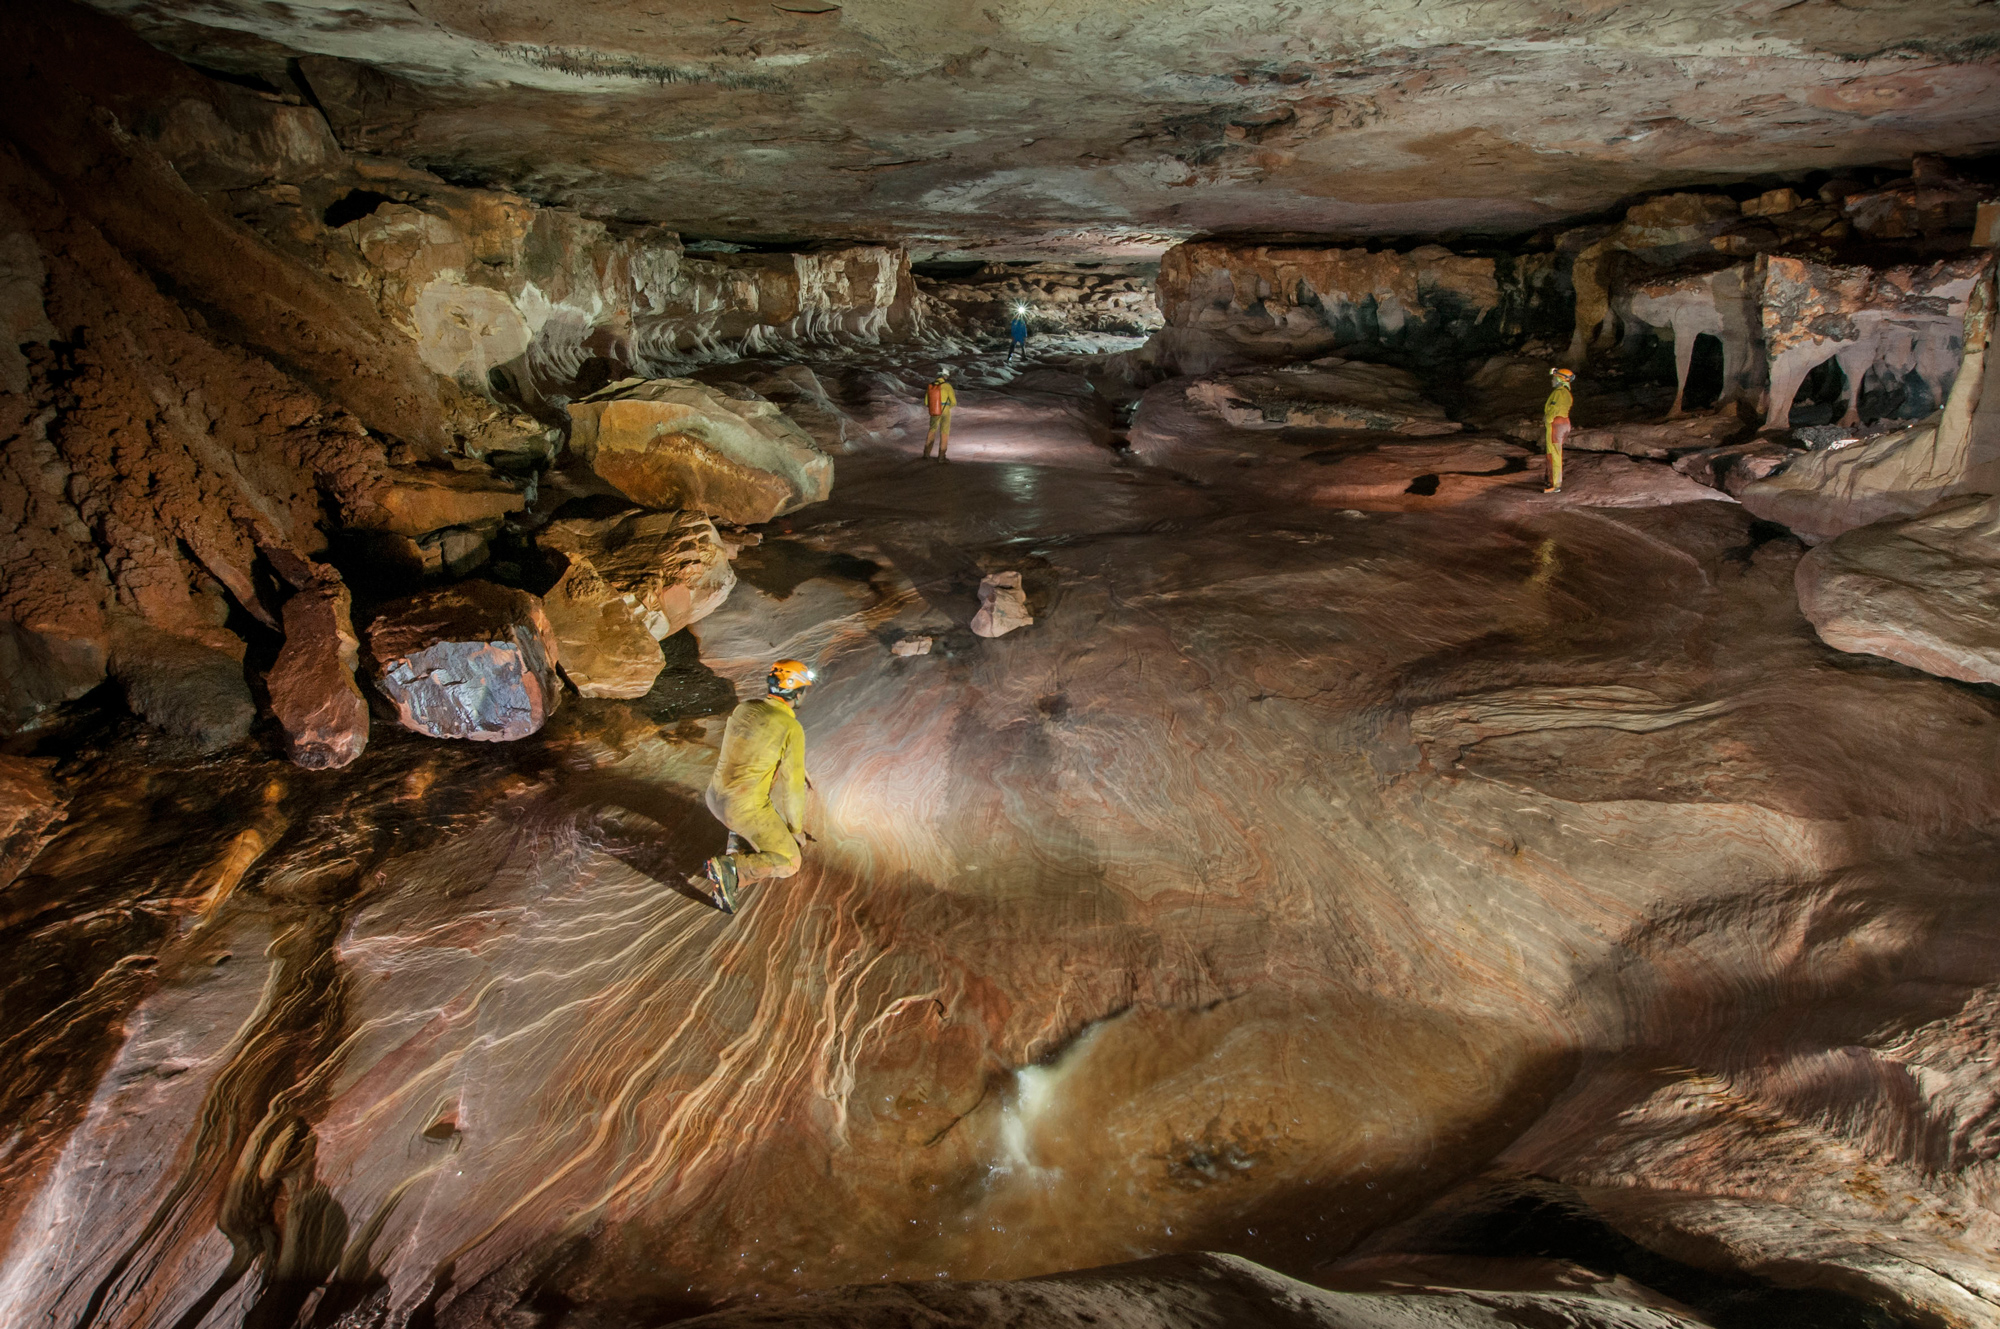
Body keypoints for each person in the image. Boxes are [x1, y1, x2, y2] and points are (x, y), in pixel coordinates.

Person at [692, 658, 816, 915]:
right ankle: (732, 869)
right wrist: (796, 830)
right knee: (790, 861)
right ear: (797, 692)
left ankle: (735, 850)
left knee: (759, 786)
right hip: (742, 809)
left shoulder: (744, 708)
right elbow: (792, 790)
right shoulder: (791, 727)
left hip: (715, 798)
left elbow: (754, 749)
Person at [1543, 367, 1575, 494]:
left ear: (1559, 379)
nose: (1552, 380)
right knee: (1557, 452)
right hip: (1565, 423)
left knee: (1553, 454)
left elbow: (1554, 409)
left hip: (1556, 424)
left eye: (1554, 378)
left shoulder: (1559, 392)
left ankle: (1555, 485)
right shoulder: (1567, 393)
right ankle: (1552, 480)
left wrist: (1548, 419)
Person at [923, 367, 957, 462]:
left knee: (932, 430)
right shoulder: (947, 386)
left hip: (934, 410)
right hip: (945, 411)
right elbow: (954, 402)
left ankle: (926, 453)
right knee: (944, 432)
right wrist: (946, 408)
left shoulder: (930, 385)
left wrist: (935, 407)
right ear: (945, 376)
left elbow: (926, 402)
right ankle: (941, 457)